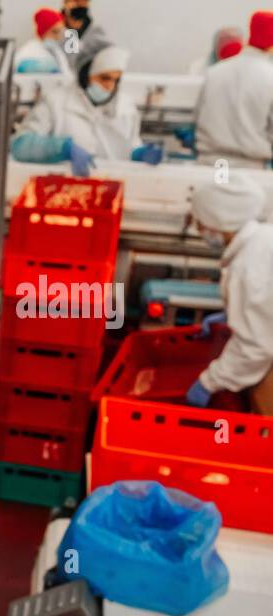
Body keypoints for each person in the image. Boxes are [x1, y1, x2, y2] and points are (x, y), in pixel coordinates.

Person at [184, 175, 273, 415]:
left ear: (217, 222)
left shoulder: (249, 265)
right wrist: (233, 313)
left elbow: (256, 347)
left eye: (200, 223)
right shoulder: (262, 240)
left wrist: (209, 382)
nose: (200, 230)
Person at [11, 47, 161, 176]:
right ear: (86, 76)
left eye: (116, 80)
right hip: (62, 187)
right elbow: (20, 145)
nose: (110, 86)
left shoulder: (126, 108)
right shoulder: (55, 102)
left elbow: (129, 147)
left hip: (109, 188)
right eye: (104, 78)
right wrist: (62, 148)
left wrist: (139, 154)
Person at [194, 12, 273, 170]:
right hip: (251, 168)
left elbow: (197, 116)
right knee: (249, 195)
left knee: (218, 192)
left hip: (214, 165)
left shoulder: (215, 71)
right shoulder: (269, 76)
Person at [59, 0, 112, 75]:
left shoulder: (96, 30)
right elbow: (71, 63)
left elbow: (109, 57)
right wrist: (72, 29)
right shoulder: (56, 30)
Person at [16, 9, 68, 74]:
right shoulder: (27, 52)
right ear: (43, 32)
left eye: (60, 31)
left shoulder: (57, 52)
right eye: (55, 32)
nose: (59, 37)